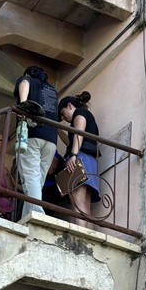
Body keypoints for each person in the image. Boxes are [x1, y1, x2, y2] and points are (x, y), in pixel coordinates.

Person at [13, 65, 58, 218]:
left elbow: (24, 83)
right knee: (37, 181)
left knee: (30, 177)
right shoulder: (52, 90)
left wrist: (24, 104)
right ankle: (28, 216)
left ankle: (37, 213)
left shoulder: (27, 79)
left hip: (31, 134)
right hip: (51, 140)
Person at [57, 91, 101, 228]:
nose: (64, 118)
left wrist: (74, 155)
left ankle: (81, 234)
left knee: (77, 202)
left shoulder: (79, 113)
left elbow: (78, 134)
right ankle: (89, 236)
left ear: (69, 106)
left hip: (80, 157)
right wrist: (57, 129)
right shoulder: (86, 115)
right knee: (85, 205)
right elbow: (72, 140)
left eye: (64, 113)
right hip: (89, 160)